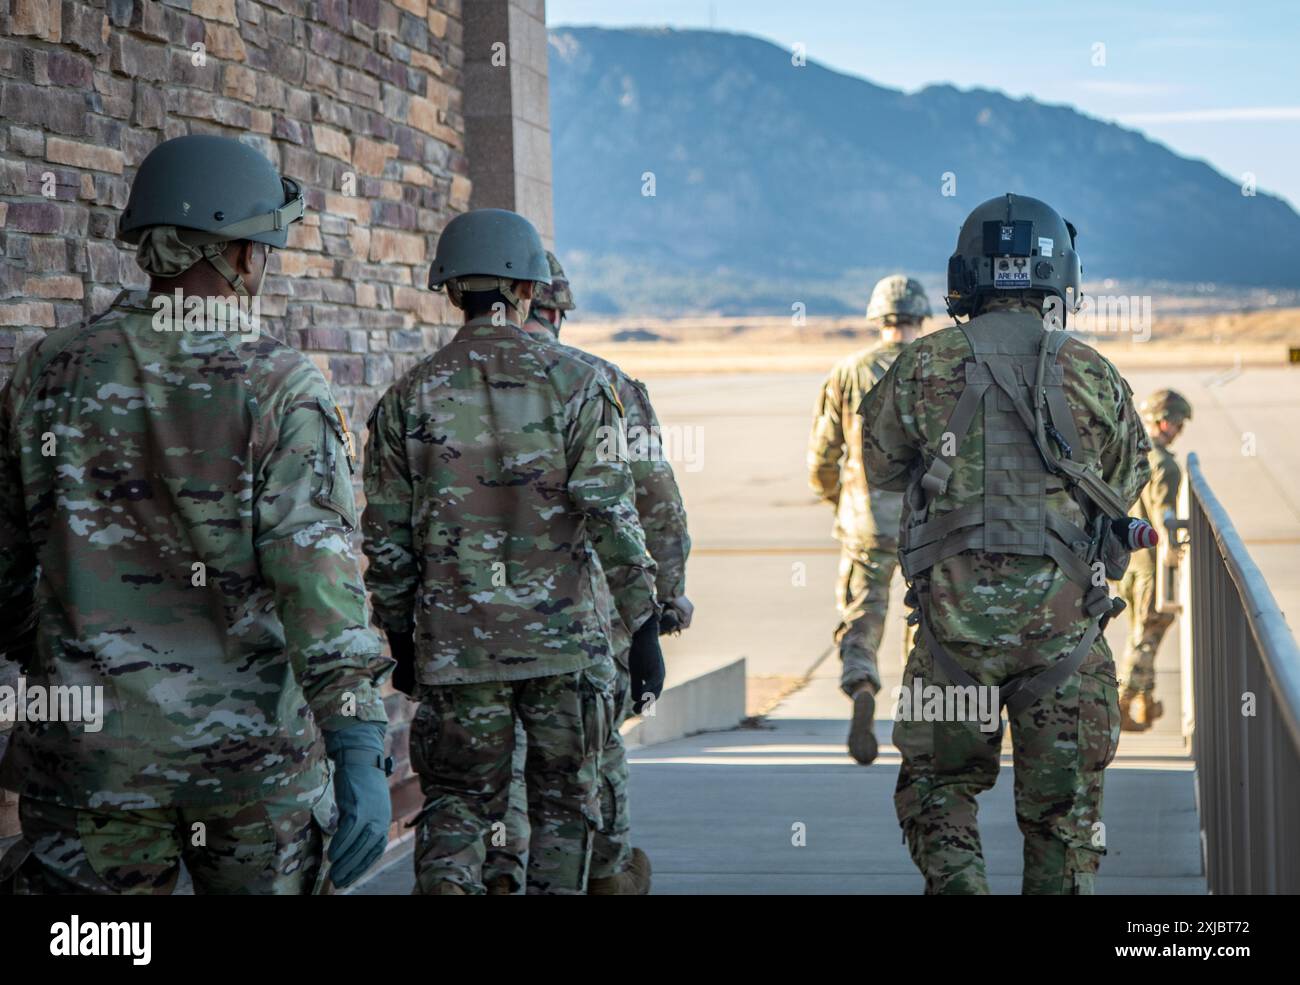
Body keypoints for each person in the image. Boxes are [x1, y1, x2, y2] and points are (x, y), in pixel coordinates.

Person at [0, 134, 392, 895]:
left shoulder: (47, 371)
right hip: (251, 772)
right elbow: (319, 586)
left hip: (89, 766)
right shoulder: (278, 383)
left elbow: (9, 575)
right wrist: (356, 739)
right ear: (243, 256)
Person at [362, 209, 664, 895]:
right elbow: (613, 515)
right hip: (566, 648)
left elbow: (385, 540)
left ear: (450, 291)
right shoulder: (584, 383)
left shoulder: (408, 396)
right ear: (530, 289)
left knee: (456, 806)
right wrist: (644, 629)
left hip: (457, 649)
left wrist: (404, 640)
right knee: (564, 806)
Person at [861, 193, 1151, 894]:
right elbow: (1127, 479)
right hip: (1065, 640)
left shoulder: (921, 365)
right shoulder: (1093, 370)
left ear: (967, 273)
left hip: (949, 633)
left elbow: (880, 465)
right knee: (1064, 818)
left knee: (940, 793)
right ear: (1062, 278)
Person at [479, 250, 690, 894]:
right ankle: (605, 870)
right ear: (554, 307)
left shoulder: (434, 381)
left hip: (468, 624)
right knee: (587, 762)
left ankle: (497, 867)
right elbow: (656, 503)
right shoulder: (605, 383)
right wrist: (665, 601)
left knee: (495, 768)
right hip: (581, 621)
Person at [808, 274, 929, 764]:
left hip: (866, 525)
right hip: (927, 524)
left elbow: (821, 459)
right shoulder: (935, 369)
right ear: (921, 317)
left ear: (878, 318)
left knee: (862, 614)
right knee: (927, 623)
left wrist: (841, 500)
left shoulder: (847, 372)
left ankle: (861, 682)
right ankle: (919, 714)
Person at [1119, 388, 1192, 730]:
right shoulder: (1165, 466)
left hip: (1132, 564)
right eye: (1178, 423)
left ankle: (1145, 702)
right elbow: (1166, 521)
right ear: (1165, 422)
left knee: (1141, 632)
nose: (1179, 429)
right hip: (1153, 567)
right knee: (1147, 637)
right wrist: (1176, 559)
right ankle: (1122, 703)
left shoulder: (1136, 455)